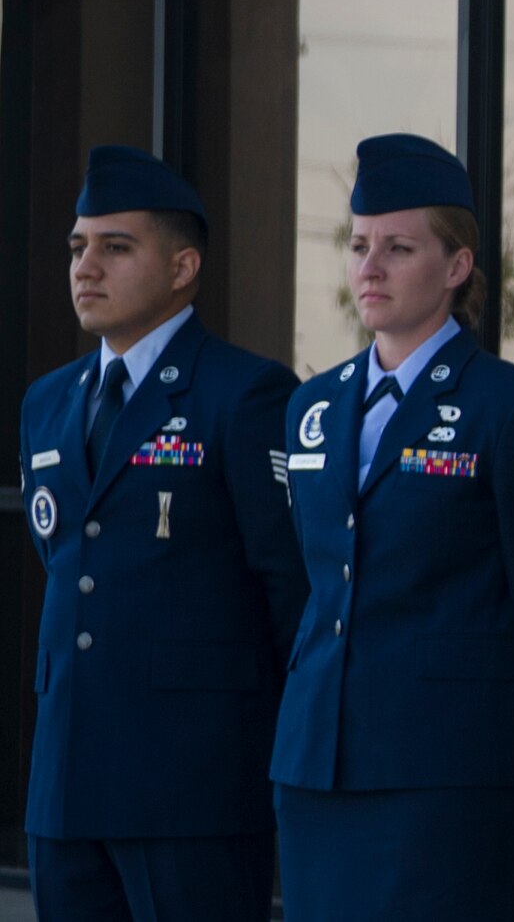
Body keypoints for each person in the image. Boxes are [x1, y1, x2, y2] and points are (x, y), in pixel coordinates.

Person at [269, 134, 514, 921]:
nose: (370, 267)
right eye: (359, 245)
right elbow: (310, 580)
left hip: (449, 768)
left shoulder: (513, 407)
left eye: (399, 248)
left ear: (457, 266)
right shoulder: (311, 407)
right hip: (317, 763)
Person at [17, 145, 308, 921]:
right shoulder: (47, 402)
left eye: (116, 247)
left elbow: (287, 585)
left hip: (192, 787)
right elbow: (68, 557)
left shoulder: (243, 393)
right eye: (77, 247)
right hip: (66, 784)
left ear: (183, 267)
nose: (86, 267)